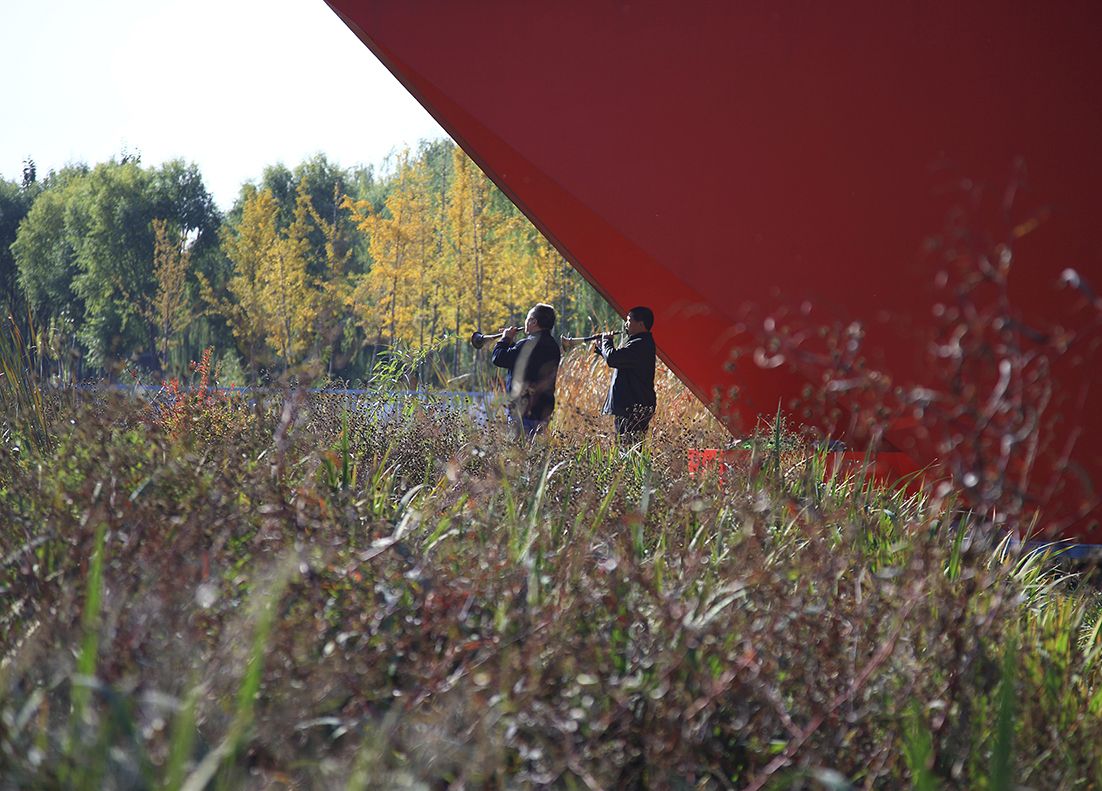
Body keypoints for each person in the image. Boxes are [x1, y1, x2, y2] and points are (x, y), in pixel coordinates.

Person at [491, 303, 562, 438]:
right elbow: (523, 361)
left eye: (527, 318)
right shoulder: (553, 345)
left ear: (533, 321)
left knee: (518, 454)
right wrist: (512, 343)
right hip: (543, 410)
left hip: (522, 411)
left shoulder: (528, 344)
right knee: (534, 454)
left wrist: (505, 339)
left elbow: (498, 358)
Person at [596, 306, 657, 440]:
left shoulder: (640, 344)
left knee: (628, 447)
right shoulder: (640, 343)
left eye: (629, 320)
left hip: (633, 407)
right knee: (625, 446)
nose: (626, 324)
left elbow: (613, 359)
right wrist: (602, 350)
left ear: (640, 324)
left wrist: (607, 341)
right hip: (631, 406)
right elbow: (619, 361)